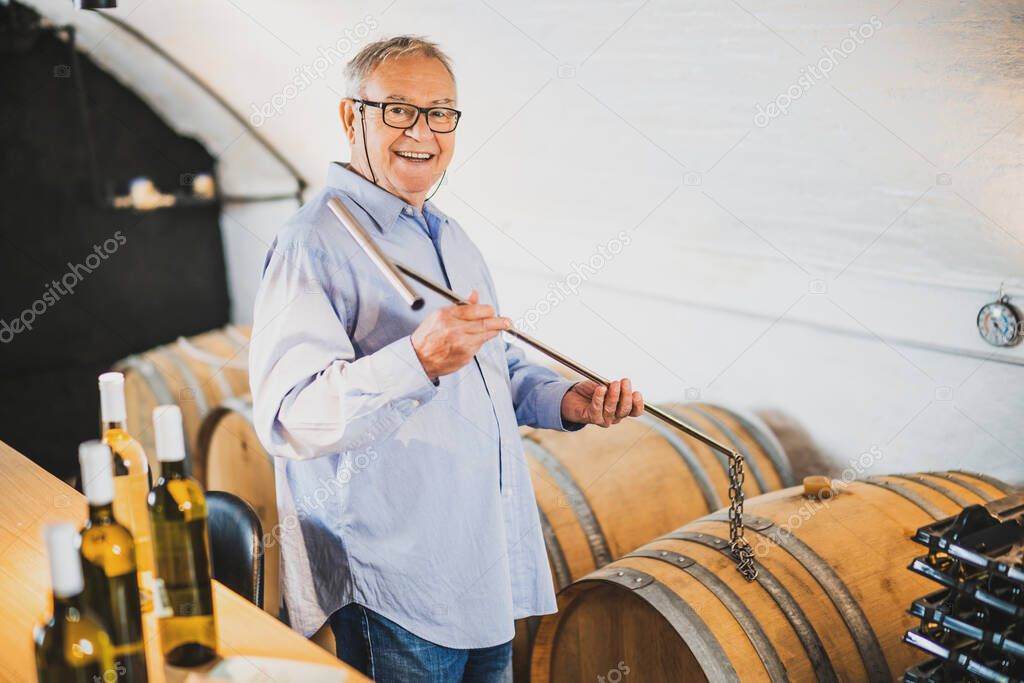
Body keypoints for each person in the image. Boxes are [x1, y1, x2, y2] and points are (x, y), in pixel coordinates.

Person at [248, 35, 644, 682]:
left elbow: (493, 364)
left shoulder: (449, 235)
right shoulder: (312, 241)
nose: (422, 131)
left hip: (478, 573)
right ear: (352, 117)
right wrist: (418, 359)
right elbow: (292, 416)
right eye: (398, 109)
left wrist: (564, 399)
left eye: (440, 112)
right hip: (394, 588)